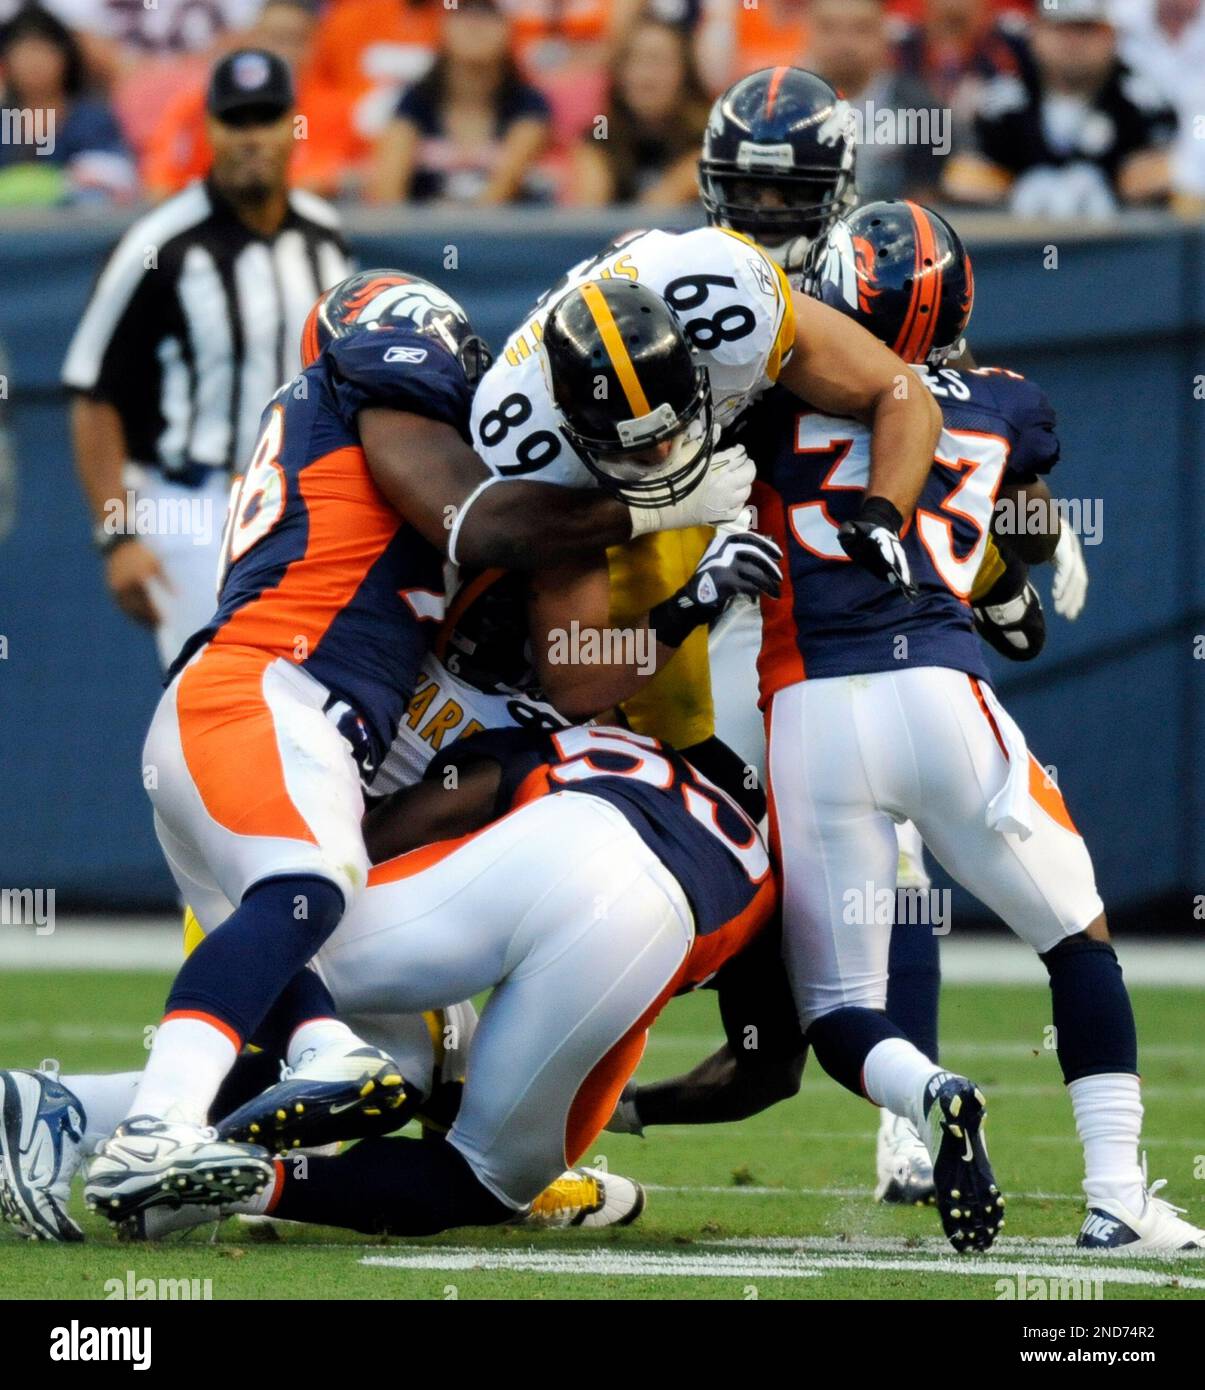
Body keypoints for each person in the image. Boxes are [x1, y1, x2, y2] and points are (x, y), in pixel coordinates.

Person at [78, 266, 760, 1224]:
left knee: (381, 1051)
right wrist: (650, 513)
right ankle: (158, 1128)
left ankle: (82, 1125)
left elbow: (562, 668)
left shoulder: (389, 436)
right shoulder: (384, 392)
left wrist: (679, 593)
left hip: (340, 719)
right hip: (292, 696)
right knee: (306, 898)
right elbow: (476, 524)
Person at [742, 198, 1204, 1254]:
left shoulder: (768, 399)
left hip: (807, 714)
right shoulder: (1004, 400)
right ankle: (1114, 1195)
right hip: (942, 696)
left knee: (836, 1013)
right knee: (1076, 941)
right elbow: (1018, 508)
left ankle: (935, 1091)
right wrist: (1019, 566)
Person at [62, 47, 353, 670]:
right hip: (194, 504)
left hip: (307, 506)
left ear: (294, 125)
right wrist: (115, 536)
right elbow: (92, 393)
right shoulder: (157, 245)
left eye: (267, 117)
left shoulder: (325, 239)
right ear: (208, 128)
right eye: (235, 120)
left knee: (313, 694)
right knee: (215, 693)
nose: (253, 137)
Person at [942, 0, 1178, 215]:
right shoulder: (1001, 102)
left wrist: (1105, 189)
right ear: (1035, 32)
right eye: (1060, 28)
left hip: (1118, 253)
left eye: (1085, 29)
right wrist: (1023, 192)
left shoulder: (1143, 100)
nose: (1072, 42)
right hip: (1020, 253)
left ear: (1111, 36)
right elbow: (963, 178)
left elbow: (1160, 176)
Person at [141, 0, 360, 201]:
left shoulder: (338, 109)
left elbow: (350, 178)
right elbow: (161, 184)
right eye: (274, 37)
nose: (284, 51)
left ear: (316, 46)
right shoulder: (203, 104)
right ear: (250, 38)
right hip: (210, 227)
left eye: (296, 40)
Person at [370, 0, 551, 205]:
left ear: (509, 29)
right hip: (421, 233)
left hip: (501, 232)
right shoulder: (414, 101)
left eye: (488, 13)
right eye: (462, 12)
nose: (474, 24)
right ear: (442, 26)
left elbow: (503, 187)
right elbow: (387, 196)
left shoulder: (528, 104)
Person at [805, 0, 946, 203]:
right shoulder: (782, 109)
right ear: (808, 32)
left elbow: (930, 199)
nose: (844, 42)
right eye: (828, 27)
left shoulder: (923, 112)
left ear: (884, 35)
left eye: (861, 29)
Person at [0, 5, 134, 205]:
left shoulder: (91, 119)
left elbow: (117, 178)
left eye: (43, 51)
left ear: (66, 58)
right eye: (24, 52)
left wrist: (64, 183)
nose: (34, 63)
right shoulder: (4, 121)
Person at [570, 15, 709, 206]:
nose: (645, 76)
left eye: (658, 61)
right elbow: (588, 216)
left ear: (685, 72)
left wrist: (680, 184)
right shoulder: (600, 135)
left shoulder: (711, 138)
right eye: (634, 61)